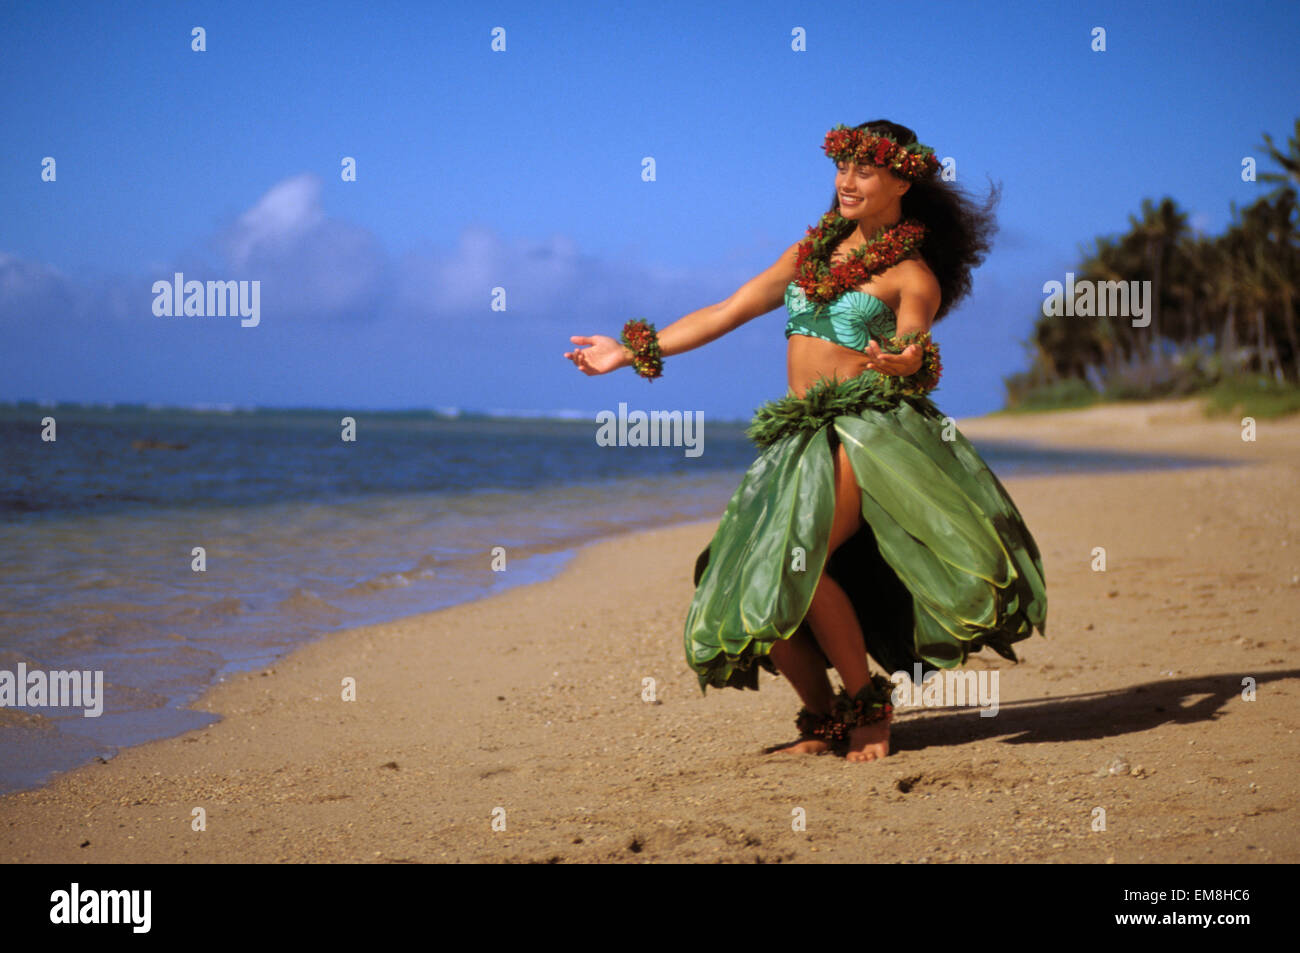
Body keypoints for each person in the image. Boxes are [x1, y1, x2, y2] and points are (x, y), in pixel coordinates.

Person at [564, 119, 1047, 763]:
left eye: (864, 169)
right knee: (739, 573)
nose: (846, 181)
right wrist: (630, 351)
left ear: (901, 178)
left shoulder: (912, 275)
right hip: (797, 437)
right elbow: (728, 309)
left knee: (804, 559)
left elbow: (915, 344)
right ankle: (822, 718)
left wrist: (905, 361)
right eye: (841, 166)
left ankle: (868, 704)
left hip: (863, 429)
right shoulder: (809, 253)